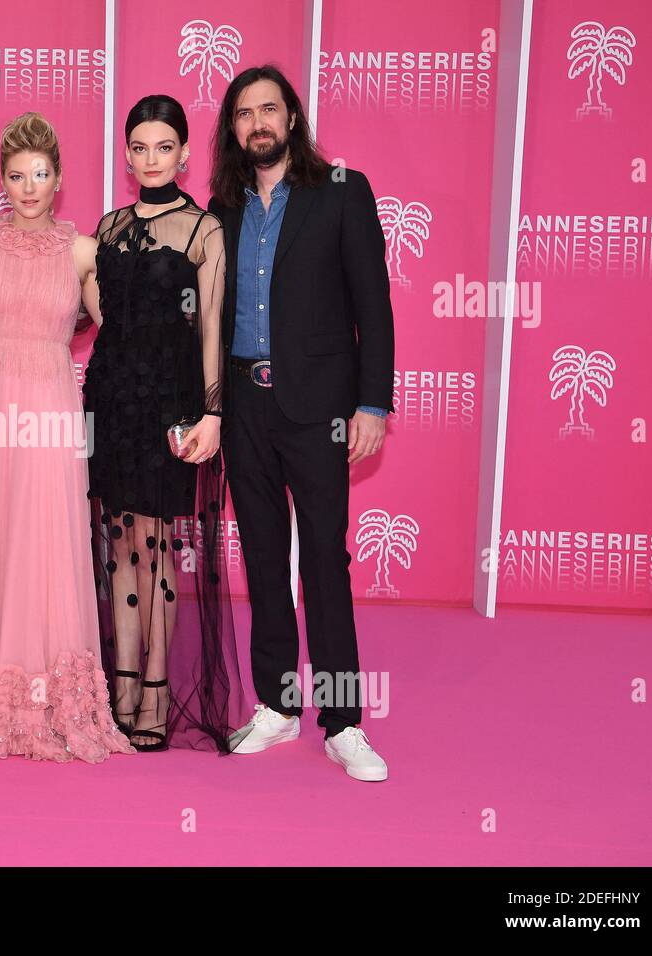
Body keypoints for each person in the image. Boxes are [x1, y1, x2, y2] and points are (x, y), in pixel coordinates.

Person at [207, 65, 394, 781]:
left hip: (319, 409)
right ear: (233, 127)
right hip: (245, 408)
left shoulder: (340, 193)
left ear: (292, 118)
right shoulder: (219, 206)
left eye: (270, 110)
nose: (258, 122)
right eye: (245, 113)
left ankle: (343, 722)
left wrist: (372, 404)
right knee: (261, 560)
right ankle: (279, 707)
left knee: (323, 562)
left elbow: (371, 305)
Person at [0, 112, 134, 763]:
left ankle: (51, 698)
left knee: (47, 541)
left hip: (51, 409)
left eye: (41, 174)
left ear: (59, 179)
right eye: (17, 175)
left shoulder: (83, 251)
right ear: (2, 180)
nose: (29, 186)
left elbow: (122, 329)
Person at [83, 95, 239, 752]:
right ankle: (119, 686)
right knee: (119, 545)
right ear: (127, 154)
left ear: (182, 153)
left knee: (159, 554)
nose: (151, 158)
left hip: (169, 407)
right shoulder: (109, 225)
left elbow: (211, 331)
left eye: (163, 147)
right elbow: (93, 314)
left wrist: (211, 410)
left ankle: (154, 693)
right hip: (112, 401)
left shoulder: (204, 231)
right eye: (139, 147)